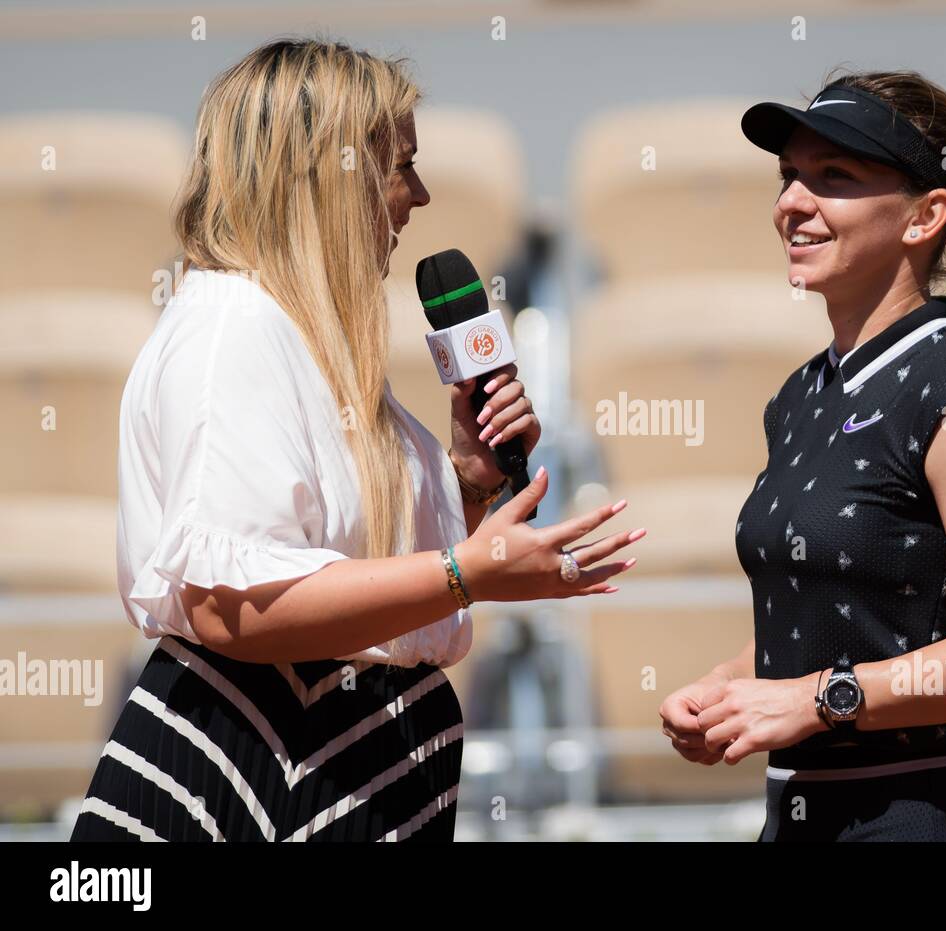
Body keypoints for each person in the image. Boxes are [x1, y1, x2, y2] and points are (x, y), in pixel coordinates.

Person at [71, 38, 642, 843]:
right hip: (255, 775)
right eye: (398, 164)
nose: (419, 193)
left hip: (348, 770)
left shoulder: (295, 337)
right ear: (325, 175)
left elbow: (337, 566)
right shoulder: (234, 329)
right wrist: (462, 573)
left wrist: (468, 484)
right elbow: (230, 607)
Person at [659, 69, 946, 842]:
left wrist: (821, 697)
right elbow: (833, 608)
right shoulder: (800, 394)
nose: (792, 203)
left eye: (833, 177)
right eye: (789, 176)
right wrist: (729, 686)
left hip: (914, 817)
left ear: (927, 214)